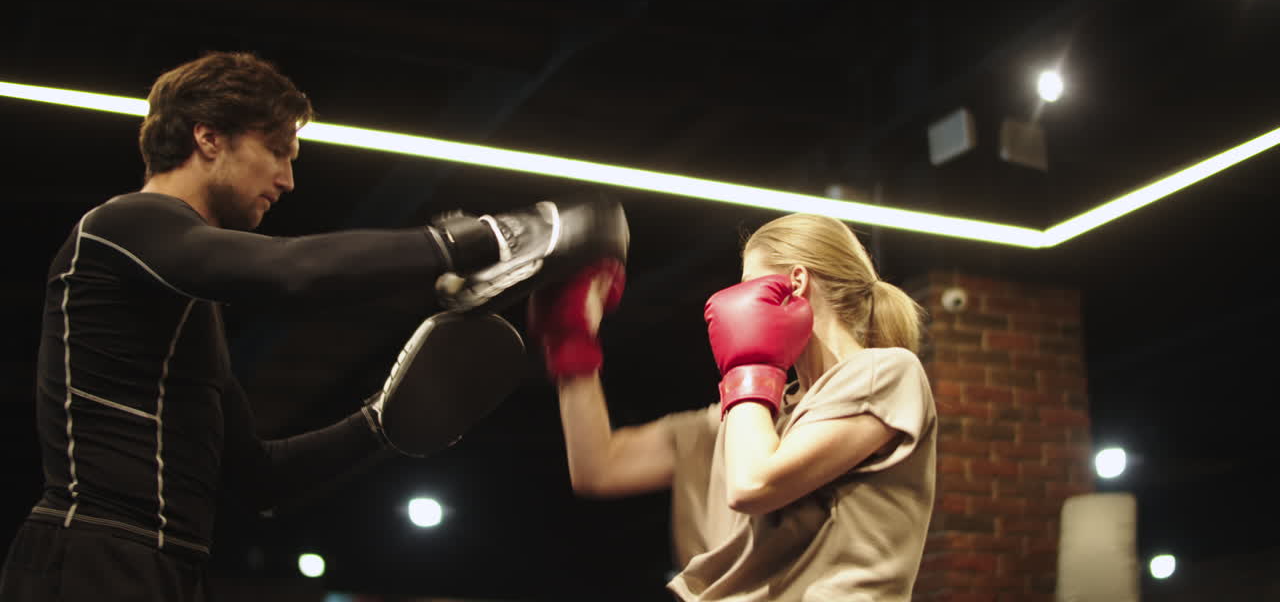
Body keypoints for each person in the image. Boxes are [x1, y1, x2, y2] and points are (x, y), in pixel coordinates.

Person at [0, 50, 628, 601]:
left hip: (168, 564)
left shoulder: (189, 303)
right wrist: (492, 237)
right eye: (276, 151)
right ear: (209, 137)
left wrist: (382, 426)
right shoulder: (119, 228)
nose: (289, 178)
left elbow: (257, 479)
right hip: (91, 549)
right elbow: (292, 272)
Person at [528, 212, 936, 601]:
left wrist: (750, 366)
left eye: (749, 285)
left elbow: (754, 484)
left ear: (796, 283)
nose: (738, 301)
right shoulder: (750, 419)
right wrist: (572, 345)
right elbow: (599, 467)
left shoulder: (884, 373)